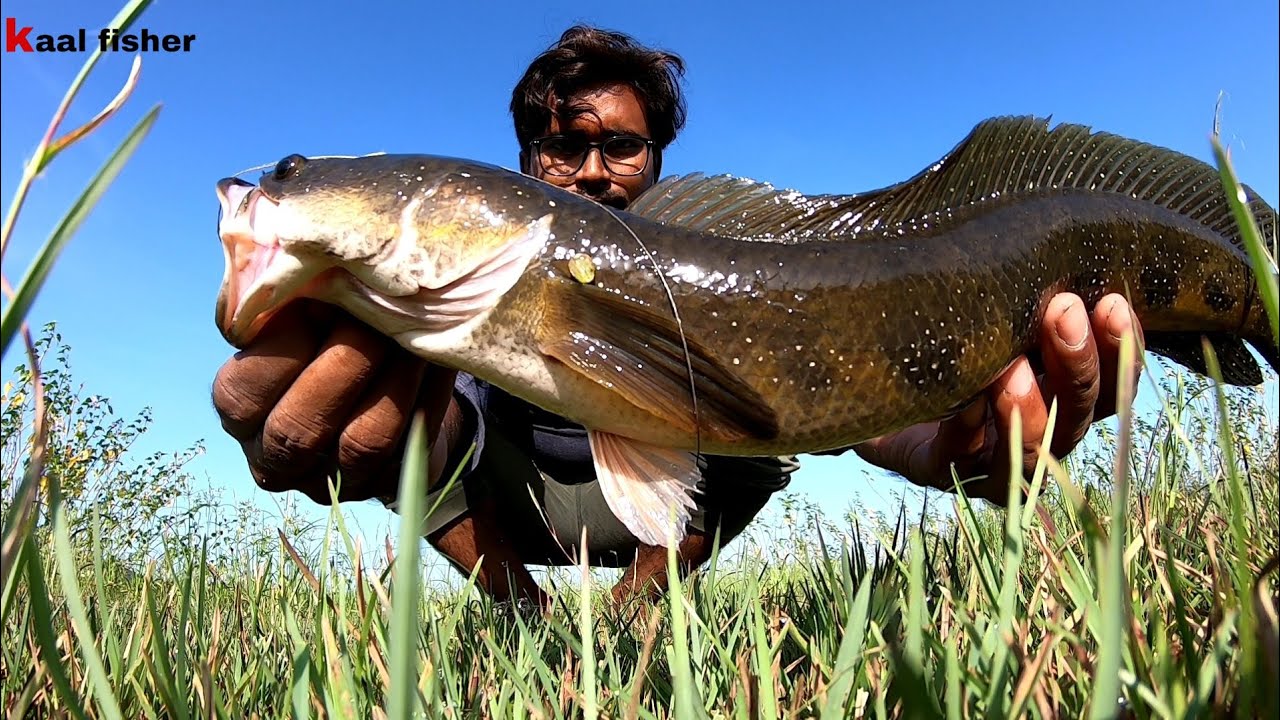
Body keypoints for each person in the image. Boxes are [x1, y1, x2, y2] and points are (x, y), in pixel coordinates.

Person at [210, 25, 1146, 608]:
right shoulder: (433, 294)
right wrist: (366, 429)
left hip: (670, 497)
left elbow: (828, 394)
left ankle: (640, 612)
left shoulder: (717, 251)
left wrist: (925, 437)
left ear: (655, 158)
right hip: (513, 500)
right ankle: (516, 609)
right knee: (401, 416)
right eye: (562, 146)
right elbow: (414, 433)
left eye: (622, 147)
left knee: (742, 427)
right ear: (523, 161)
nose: (591, 171)